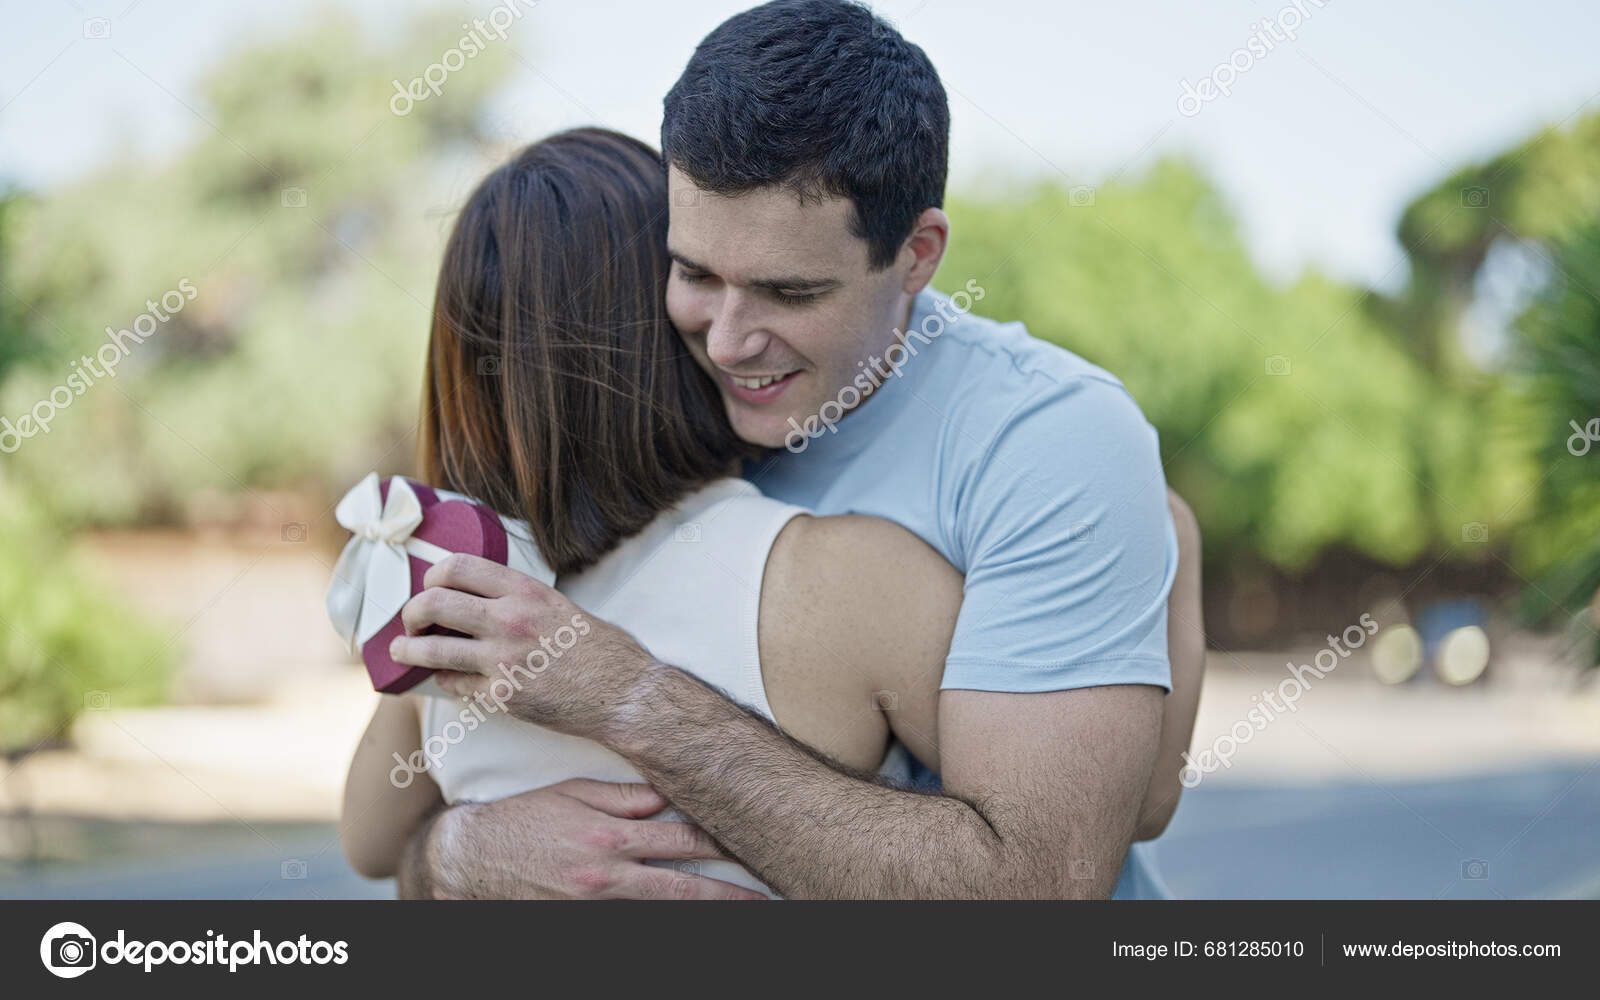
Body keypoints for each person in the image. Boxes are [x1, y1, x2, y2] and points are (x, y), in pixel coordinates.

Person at [384, 1, 1205, 899]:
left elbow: (1050, 877)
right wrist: (460, 853)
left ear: (917, 254)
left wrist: (629, 697)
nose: (728, 342)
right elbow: (388, 835)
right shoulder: (659, 401)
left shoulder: (1048, 444)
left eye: (790, 292)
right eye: (695, 272)